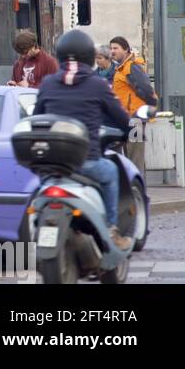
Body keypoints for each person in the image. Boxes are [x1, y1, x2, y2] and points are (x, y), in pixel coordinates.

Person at [33, 29, 134, 250]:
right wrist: (130, 130)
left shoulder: (48, 84)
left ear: (59, 55)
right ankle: (111, 228)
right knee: (111, 172)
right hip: (86, 162)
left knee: (38, 191)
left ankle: (34, 229)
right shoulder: (97, 84)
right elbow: (122, 119)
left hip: (53, 165)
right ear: (89, 56)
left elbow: (36, 118)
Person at [110, 36, 158, 175]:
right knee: (130, 158)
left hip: (135, 119)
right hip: (127, 118)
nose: (112, 51)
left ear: (125, 49)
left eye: (116, 48)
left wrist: (148, 109)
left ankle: (138, 191)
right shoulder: (122, 68)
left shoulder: (131, 67)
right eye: (111, 48)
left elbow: (146, 89)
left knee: (135, 159)